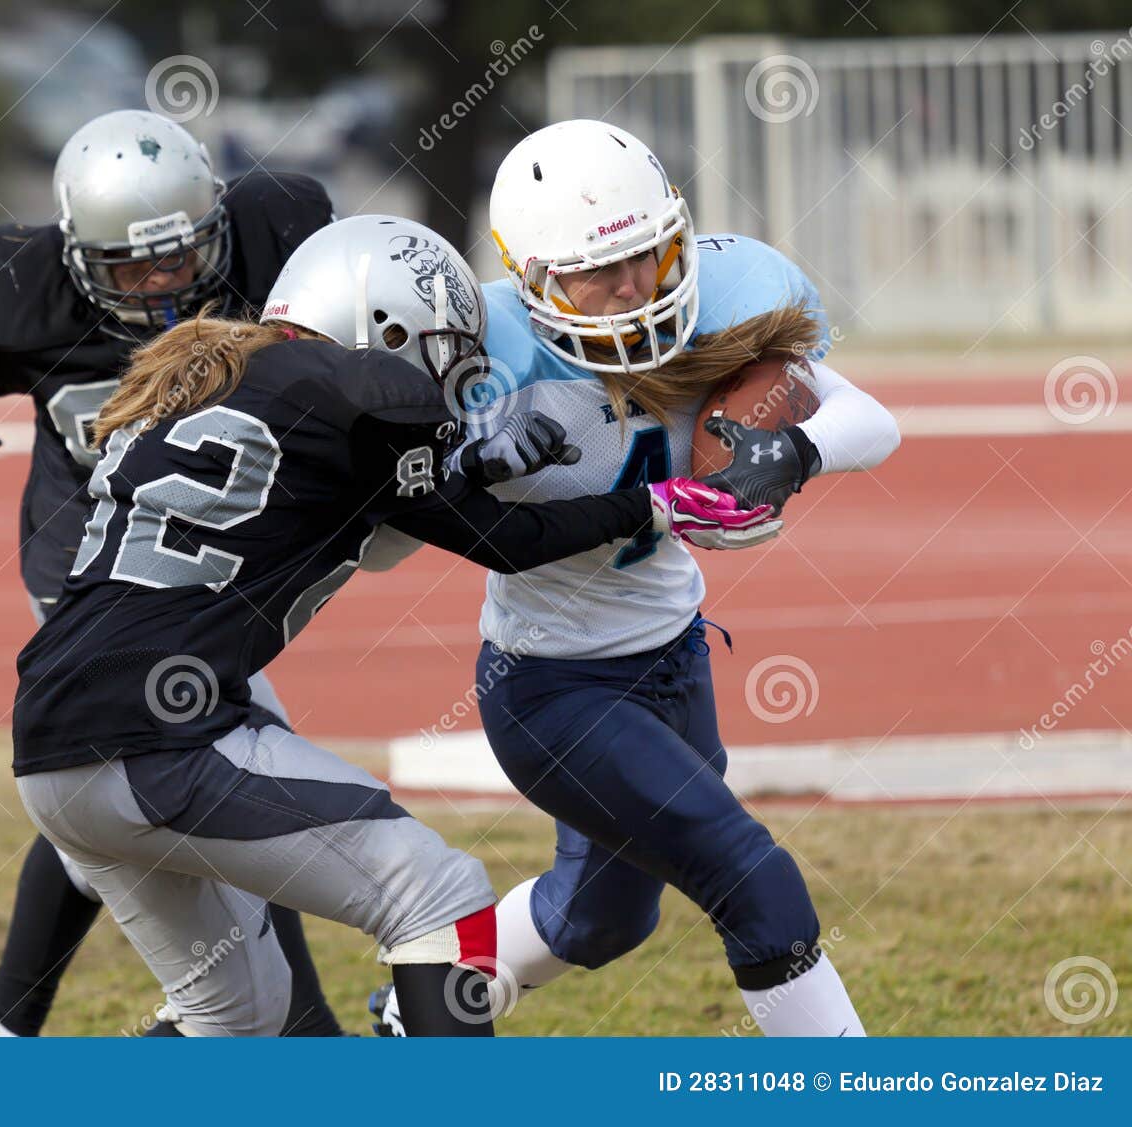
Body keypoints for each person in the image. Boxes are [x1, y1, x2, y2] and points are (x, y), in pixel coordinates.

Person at [8, 212, 777, 1037]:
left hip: (50, 752)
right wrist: (651, 503)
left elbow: (362, 516)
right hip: (157, 739)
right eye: (442, 351)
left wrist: (469, 465)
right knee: (440, 896)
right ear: (386, 325)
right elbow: (506, 541)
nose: (449, 380)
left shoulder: (218, 380)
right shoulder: (359, 385)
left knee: (235, 1014)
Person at [369, 120, 901, 1037]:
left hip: (674, 651)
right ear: (530, 276)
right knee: (753, 878)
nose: (629, 288)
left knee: (604, 916)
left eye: (648, 257)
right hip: (551, 685)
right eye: (596, 270)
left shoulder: (729, 295)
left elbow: (873, 420)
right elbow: (376, 538)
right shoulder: (478, 348)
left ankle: (421, 1005)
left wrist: (795, 451)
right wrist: (464, 467)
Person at [0, 110, 349, 1036]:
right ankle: (302, 1026)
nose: (160, 287)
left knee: (102, 787)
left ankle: (6, 1022)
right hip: (86, 552)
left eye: (179, 258)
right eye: (131, 267)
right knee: (223, 751)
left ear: (220, 230)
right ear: (78, 258)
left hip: (219, 540)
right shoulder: (6, 288)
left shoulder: (280, 234)